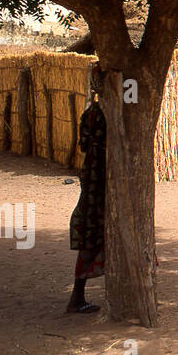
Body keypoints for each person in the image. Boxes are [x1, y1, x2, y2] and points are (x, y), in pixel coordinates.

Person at [67, 87, 107, 314]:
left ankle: (77, 296)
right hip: (100, 180)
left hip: (90, 177)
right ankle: (76, 298)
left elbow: (83, 144)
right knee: (95, 236)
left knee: (91, 234)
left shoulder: (90, 113)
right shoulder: (108, 115)